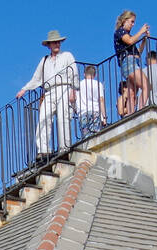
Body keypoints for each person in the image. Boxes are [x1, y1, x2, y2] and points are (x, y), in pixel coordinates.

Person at [18, 30, 79, 162]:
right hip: (49, 92)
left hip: (64, 87)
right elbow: (36, 78)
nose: (56, 44)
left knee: (64, 118)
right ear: (49, 45)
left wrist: (74, 90)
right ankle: (43, 150)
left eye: (58, 42)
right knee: (43, 119)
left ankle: (64, 147)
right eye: (54, 42)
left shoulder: (67, 55)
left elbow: (74, 73)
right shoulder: (44, 60)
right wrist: (24, 89)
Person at [113, 11, 150, 117]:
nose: (133, 24)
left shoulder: (128, 35)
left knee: (132, 93)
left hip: (134, 62)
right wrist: (140, 31)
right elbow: (129, 41)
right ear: (124, 20)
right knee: (146, 85)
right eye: (132, 22)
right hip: (129, 63)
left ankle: (130, 114)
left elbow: (138, 52)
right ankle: (141, 110)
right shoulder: (120, 32)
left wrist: (144, 39)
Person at [77, 64, 108, 136]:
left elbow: (74, 98)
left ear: (84, 74)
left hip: (83, 113)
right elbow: (101, 100)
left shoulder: (79, 85)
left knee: (86, 137)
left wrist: (76, 109)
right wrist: (104, 117)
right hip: (95, 112)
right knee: (96, 136)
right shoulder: (98, 84)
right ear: (94, 75)